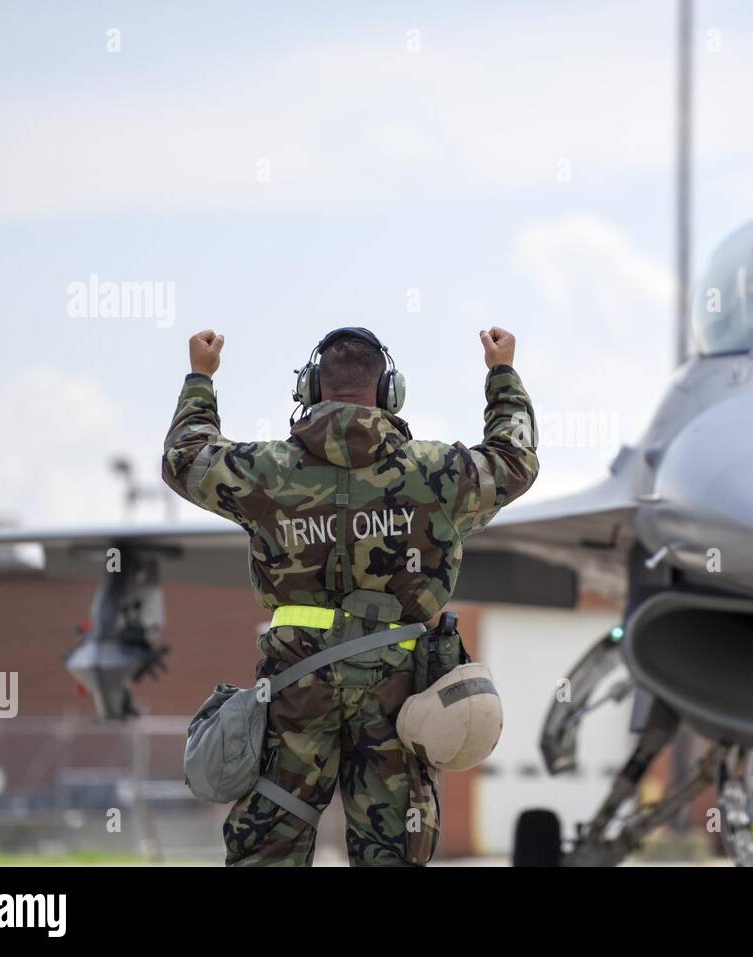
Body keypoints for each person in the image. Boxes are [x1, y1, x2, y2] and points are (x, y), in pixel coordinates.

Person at [162, 325, 538, 865]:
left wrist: (201, 378)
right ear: (390, 392)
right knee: (391, 850)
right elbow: (514, 459)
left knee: (267, 847)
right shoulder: (434, 473)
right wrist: (501, 374)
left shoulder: (267, 472)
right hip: (398, 695)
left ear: (312, 388)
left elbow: (185, 456)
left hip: (296, 688)